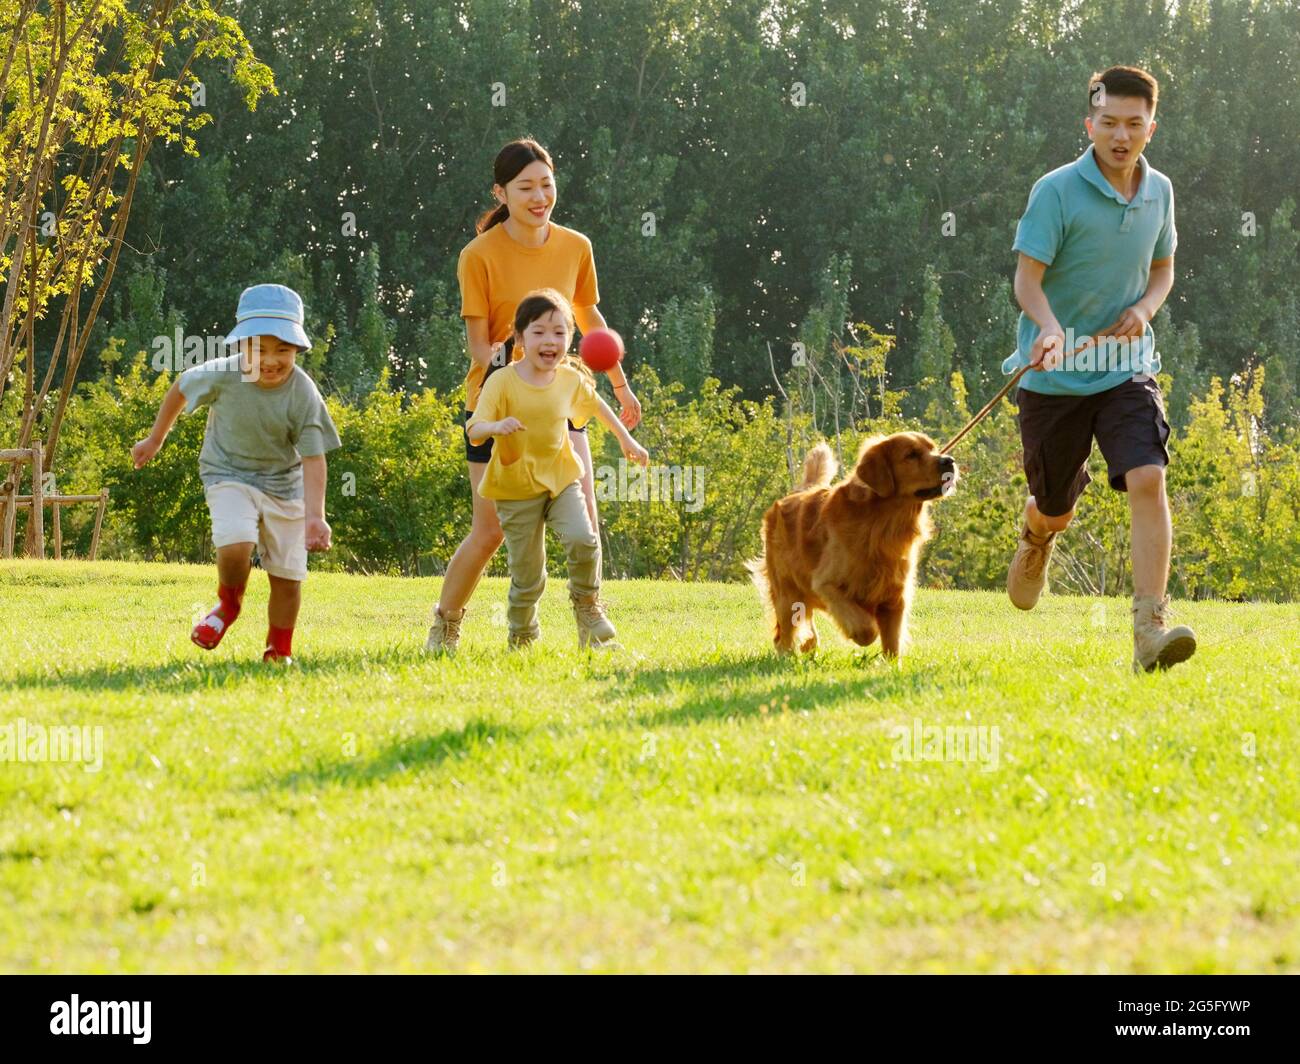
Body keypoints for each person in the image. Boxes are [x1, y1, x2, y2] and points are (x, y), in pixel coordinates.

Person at [1003, 65, 1196, 672]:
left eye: (1133, 124)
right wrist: (1051, 328)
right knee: (1056, 504)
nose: (1121, 134)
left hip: (1126, 368)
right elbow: (1026, 281)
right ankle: (1038, 534)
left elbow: (1162, 269)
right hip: (1053, 376)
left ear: (1151, 128)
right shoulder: (1056, 191)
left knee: (1147, 475)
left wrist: (1144, 307)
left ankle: (1149, 628)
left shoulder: (1160, 191)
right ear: (1090, 123)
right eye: (1108, 122)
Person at [427, 138, 642, 653]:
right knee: (489, 530)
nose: (539, 196)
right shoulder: (478, 255)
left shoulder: (576, 246)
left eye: (547, 184)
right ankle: (446, 622)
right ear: (501, 191)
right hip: (497, 399)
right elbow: (478, 345)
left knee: (584, 517)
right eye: (526, 187)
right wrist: (515, 358)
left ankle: (592, 621)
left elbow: (591, 324)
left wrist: (620, 384)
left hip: (561, 401)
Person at [131, 284, 340, 664]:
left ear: (297, 349)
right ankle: (228, 606)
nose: (271, 360)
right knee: (235, 543)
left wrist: (315, 517)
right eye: (259, 348)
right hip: (228, 473)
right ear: (241, 345)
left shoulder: (303, 393)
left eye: (284, 350)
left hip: (285, 485)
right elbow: (180, 388)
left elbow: (313, 458)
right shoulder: (225, 374)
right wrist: (155, 438)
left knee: (288, 578)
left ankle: (279, 649)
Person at [466, 289, 649, 650]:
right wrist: (495, 428)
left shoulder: (569, 379)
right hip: (516, 488)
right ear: (519, 339)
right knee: (528, 575)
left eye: (560, 332)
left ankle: (588, 608)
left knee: (584, 538)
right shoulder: (501, 381)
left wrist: (627, 440)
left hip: (562, 479)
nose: (550, 341)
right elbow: (474, 429)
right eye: (538, 332)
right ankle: (522, 635)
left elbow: (597, 407)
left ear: (570, 338)